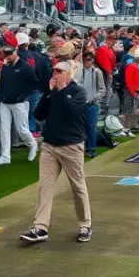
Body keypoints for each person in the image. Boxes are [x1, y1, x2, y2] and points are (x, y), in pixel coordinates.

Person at [18, 61, 92, 245]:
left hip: (71, 146)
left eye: (59, 71)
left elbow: (72, 113)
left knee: (78, 186)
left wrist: (59, 92)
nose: (55, 74)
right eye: (54, 71)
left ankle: (85, 224)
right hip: (50, 146)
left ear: (68, 74)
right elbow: (39, 114)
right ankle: (40, 227)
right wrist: (49, 94)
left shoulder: (78, 92)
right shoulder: (53, 92)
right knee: (45, 186)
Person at [0, 44, 38, 165]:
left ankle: (32, 144)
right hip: (5, 101)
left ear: (16, 52)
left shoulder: (25, 66)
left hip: (19, 102)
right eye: (7, 54)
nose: (8, 56)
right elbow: (2, 83)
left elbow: (34, 83)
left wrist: (22, 95)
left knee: (22, 129)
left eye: (10, 54)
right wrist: (2, 96)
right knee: (4, 129)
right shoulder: (6, 66)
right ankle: (5, 156)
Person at [73, 51, 106, 158]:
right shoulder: (78, 71)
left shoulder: (97, 72)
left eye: (90, 59)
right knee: (80, 127)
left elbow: (102, 90)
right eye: (86, 59)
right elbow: (75, 85)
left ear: (93, 60)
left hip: (92, 105)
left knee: (91, 127)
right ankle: (82, 148)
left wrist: (93, 98)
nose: (88, 62)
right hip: (80, 104)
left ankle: (91, 148)